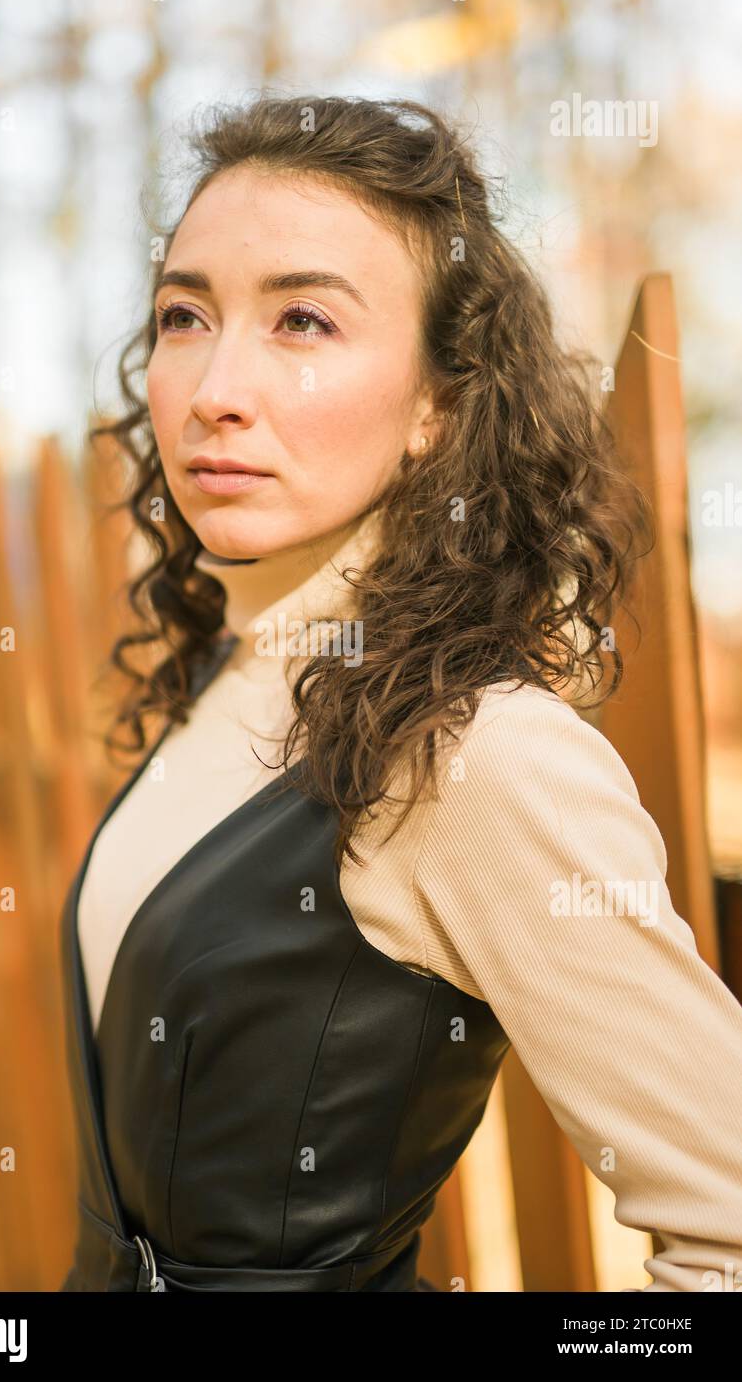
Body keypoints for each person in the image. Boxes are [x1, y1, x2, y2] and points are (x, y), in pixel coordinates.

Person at [59, 93, 742, 1293]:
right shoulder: (234, 664)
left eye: (303, 320)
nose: (215, 383)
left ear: (436, 400)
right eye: (184, 315)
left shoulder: (479, 754)